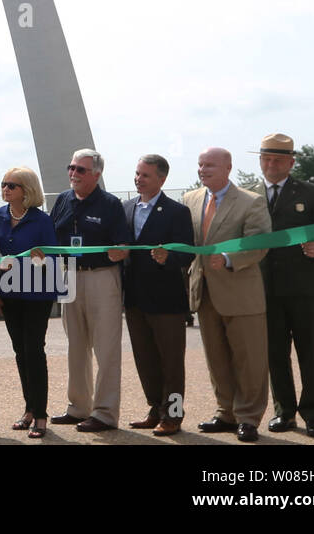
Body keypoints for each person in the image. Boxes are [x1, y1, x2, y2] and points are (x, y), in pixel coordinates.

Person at [183, 147, 272, 442]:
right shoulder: (190, 200)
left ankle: (248, 418)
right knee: (217, 359)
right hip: (205, 293)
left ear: (228, 168)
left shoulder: (251, 202)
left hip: (241, 294)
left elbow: (259, 244)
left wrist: (230, 258)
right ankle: (226, 413)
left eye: (209, 165)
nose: (202, 170)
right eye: (200, 164)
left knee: (249, 360)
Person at [255, 133, 314, 438]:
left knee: (310, 353)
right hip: (265, 287)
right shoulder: (250, 194)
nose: (270, 164)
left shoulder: (312, 193)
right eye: (265, 158)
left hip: (305, 288)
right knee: (275, 354)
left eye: (277, 159)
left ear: (291, 162)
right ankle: (283, 412)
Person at [48, 148, 129, 433]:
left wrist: (120, 252)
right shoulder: (62, 200)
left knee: (106, 348)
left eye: (80, 170)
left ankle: (105, 413)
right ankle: (78, 407)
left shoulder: (111, 204)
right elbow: (50, 237)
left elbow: (122, 244)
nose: (73, 174)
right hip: (69, 277)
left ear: (96, 174)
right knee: (76, 347)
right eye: (71, 168)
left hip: (102, 277)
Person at [120, 154, 194, 436]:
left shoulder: (177, 212)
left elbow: (187, 252)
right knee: (145, 358)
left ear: (162, 179)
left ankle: (173, 414)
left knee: (172, 363)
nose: (138, 179)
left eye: (145, 175)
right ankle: (155, 409)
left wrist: (169, 257)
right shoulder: (125, 208)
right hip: (135, 299)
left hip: (167, 300)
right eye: (137, 174)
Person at [0, 166, 58, 438]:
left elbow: (52, 259)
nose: (5, 189)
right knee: (20, 352)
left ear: (26, 190)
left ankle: (41, 415)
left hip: (36, 295)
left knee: (34, 350)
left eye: (12, 185)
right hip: (8, 295)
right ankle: (29, 409)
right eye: (4, 183)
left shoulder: (42, 221)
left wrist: (37, 260)